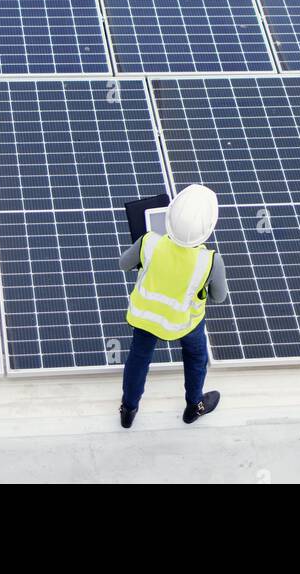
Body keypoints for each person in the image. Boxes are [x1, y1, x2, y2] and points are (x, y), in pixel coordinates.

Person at [119, 183, 227, 429]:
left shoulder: (149, 242)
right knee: (196, 356)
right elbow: (219, 297)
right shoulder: (210, 260)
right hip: (185, 322)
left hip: (145, 317)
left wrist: (146, 258)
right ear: (209, 228)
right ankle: (194, 406)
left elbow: (124, 264)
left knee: (138, 358)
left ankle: (128, 409)